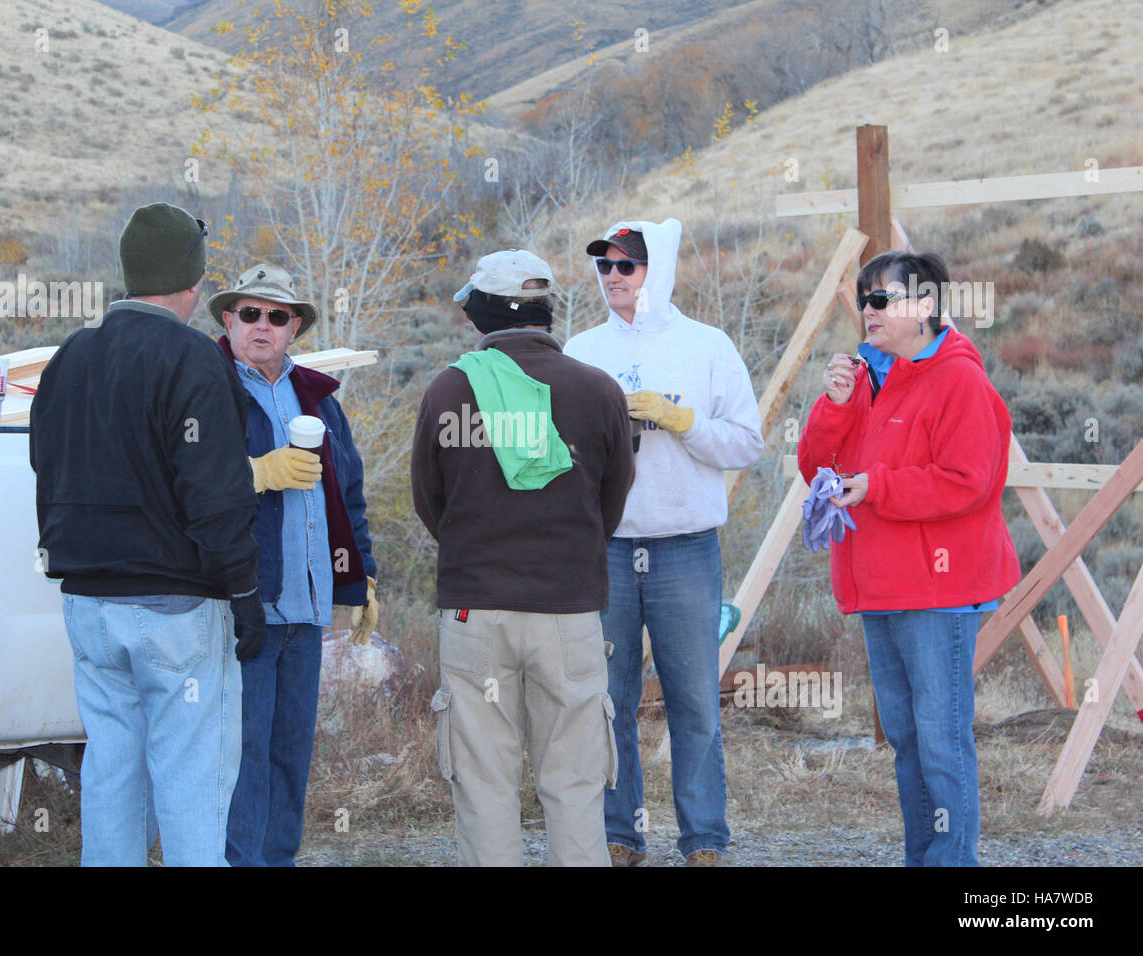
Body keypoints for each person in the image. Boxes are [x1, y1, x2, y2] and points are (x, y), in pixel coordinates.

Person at [30, 202, 264, 866]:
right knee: (192, 788)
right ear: (192, 282)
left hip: (89, 605)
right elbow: (216, 493)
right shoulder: (192, 358)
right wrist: (244, 589)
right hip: (178, 609)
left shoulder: (70, 355)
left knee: (112, 781)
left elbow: (44, 464)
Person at [411, 249, 635, 866]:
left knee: (484, 782)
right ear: (546, 312)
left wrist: (476, 550)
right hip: (568, 612)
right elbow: (611, 504)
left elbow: (430, 501)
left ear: (484, 311)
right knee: (575, 783)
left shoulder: (451, 387)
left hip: (474, 613)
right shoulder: (598, 390)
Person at [797, 250, 1019, 867]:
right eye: (863, 299)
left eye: (879, 299)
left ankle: (954, 865)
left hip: (938, 590)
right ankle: (926, 857)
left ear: (923, 306)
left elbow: (968, 481)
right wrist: (836, 404)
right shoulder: (872, 375)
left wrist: (879, 486)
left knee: (941, 741)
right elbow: (815, 467)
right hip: (880, 587)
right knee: (907, 739)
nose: (866, 311)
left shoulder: (960, 380)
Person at [564, 218, 763, 867]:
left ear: (661, 270)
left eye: (629, 265)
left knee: (695, 701)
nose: (613, 277)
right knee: (609, 697)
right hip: (609, 547)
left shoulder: (707, 346)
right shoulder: (581, 348)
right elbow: (558, 453)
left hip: (685, 548)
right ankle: (620, 835)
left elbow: (747, 443)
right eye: (605, 266)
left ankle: (704, 839)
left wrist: (683, 422)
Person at [210, 264, 378, 867]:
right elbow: (188, 482)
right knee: (243, 749)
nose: (261, 325)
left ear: (294, 327)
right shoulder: (208, 385)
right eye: (249, 313)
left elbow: (349, 492)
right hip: (243, 601)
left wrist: (361, 577)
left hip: (306, 604)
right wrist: (254, 472)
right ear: (228, 320)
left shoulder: (318, 397)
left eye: (276, 316)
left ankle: (277, 859)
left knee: (289, 749)